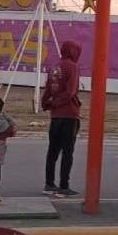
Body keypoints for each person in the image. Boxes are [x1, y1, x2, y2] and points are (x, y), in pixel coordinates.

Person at [40, 40, 82, 197]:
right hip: (69, 114)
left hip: (56, 116)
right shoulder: (73, 67)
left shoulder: (55, 67)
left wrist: (47, 104)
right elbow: (70, 92)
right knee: (67, 152)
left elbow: (48, 89)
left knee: (52, 151)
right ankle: (64, 186)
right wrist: (56, 103)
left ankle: (49, 184)